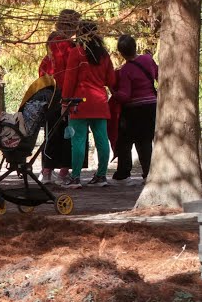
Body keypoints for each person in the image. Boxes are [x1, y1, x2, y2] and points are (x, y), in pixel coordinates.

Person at [61, 20, 116, 188]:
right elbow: (111, 80)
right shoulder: (104, 55)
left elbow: (70, 80)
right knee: (102, 140)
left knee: (78, 140)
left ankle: (76, 177)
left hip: (79, 102)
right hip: (100, 101)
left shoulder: (76, 53)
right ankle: (101, 176)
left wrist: (65, 101)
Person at [39, 10, 79, 184]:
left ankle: (47, 171)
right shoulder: (67, 45)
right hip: (63, 92)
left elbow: (45, 68)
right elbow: (67, 71)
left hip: (49, 90)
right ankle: (62, 172)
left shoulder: (51, 42)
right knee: (66, 132)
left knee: (51, 132)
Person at [111, 34, 157, 182]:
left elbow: (125, 95)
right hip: (151, 106)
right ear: (135, 46)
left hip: (133, 110)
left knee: (124, 141)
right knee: (145, 141)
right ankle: (148, 173)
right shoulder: (147, 59)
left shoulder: (126, 70)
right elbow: (158, 74)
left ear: (121, 52)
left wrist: (112, 91)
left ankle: (123, 172)